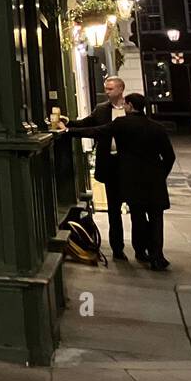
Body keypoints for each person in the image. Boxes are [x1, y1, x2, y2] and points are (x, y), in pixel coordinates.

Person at [72, 93, 176, 271]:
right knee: (157, 218)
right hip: (155, 179)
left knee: (138, 215)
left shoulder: (122, 124)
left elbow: (96, 131)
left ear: (129, 105)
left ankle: (141, 250)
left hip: (132, 177)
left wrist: (69, 132)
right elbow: (169, 156)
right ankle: (157, 254)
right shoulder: (157, 128)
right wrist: (161, 174)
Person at [65, 75, 130, 260]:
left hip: (129, 164)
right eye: (106, 88)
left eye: (110, 89)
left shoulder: (130, 108)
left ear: (120, 89)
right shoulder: (101, 110)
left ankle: (141, 248)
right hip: (110, 164)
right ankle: (118, 248)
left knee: (137, 209)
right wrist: (67, 123)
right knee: (113, 209)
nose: (107, 92)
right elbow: (86, 123)